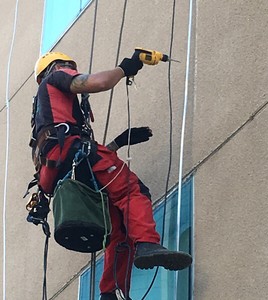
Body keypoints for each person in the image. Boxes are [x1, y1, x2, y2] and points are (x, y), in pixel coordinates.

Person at [30, 51, 192, 300]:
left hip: (64, 168)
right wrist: (125, 68)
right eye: (67, 65)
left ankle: (110, 293)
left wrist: (118, 142)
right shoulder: (57, 76)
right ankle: (147, 243)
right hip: (74, 153)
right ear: (55, 68)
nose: (69, 68)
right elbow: (99, 83)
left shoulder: (44, 114)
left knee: (119, 228)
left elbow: (80, 162)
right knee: (132, 191)